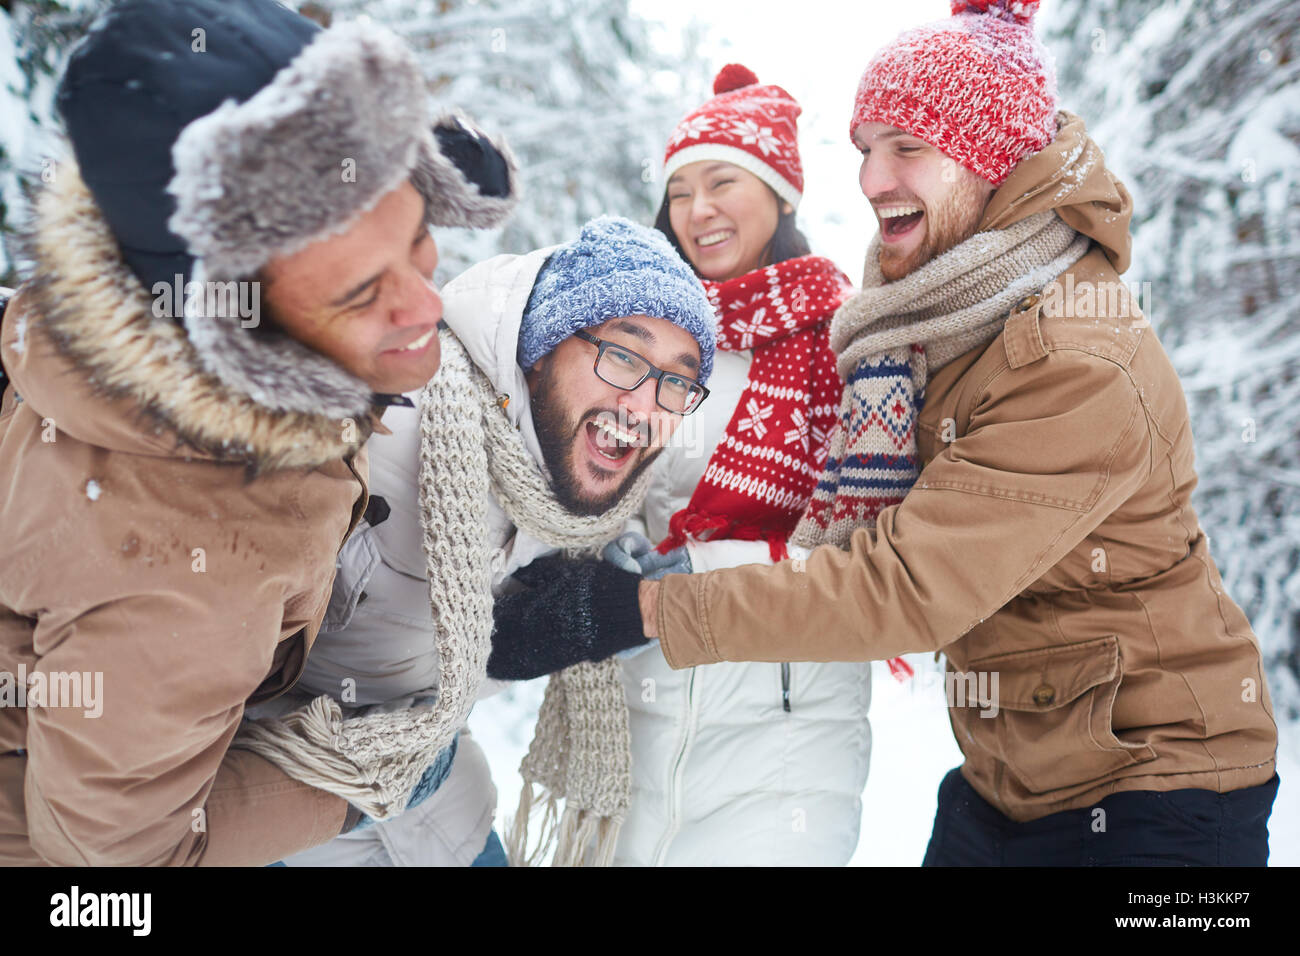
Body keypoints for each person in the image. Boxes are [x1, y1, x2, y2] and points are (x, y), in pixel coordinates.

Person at [636, 0, 1280, 866]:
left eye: (908, 146)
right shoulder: (927, 316)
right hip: (1011, 774)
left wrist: (645, 608)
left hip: (1159, 787)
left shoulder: (1072, 356)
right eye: (864, 148)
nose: (870, 178)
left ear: (991, 160)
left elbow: (901, 585)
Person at [0, 0, 515, 865]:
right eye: (358, 293)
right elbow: (120, 859)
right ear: (241, 330)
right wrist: (355, 783)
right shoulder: (189, 553)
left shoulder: (132, 306)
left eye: (418, 238)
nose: (429, 304)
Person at [273, 215, 717, 866]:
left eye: (676, 380)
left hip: (446, 817)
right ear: (541, 352)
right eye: (623, 355)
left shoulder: (582, 502)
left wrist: (523, 638)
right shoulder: (374, 426)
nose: (646, 406)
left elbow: (442, 669)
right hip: (291, 825)